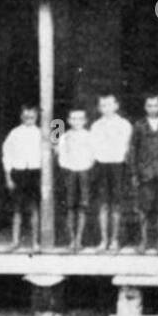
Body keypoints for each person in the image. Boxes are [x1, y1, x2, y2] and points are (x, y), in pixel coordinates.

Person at [127, 93, 158, 253]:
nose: (152, 108)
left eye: (155, 105)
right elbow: (133, 150)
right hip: (144, 173)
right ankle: (144, 241)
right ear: (145, 107)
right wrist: (134, 172)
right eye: (149, 105)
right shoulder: (139, 125)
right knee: (144, 208)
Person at [90, 93, 132, 251]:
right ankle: (103, 240)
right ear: (99, 108)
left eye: (109, 104)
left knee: (116, 204)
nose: (106, 108)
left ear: (116, 106)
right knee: (103, 204)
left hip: (118, 165)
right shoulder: (95, 126)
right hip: (101, 165)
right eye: (103, 105)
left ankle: (114, 240)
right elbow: (93, 147)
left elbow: (126, 147)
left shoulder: (124, 125)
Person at [1, 104, 42, 250]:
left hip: (35, 172)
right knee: (17, 209)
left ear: (37, 117)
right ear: (21, 117)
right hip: (18, 173)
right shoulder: (14, 133)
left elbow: (57, 134)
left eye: (32, 116)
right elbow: (7, 155)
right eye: (26, 116)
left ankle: (35, 243)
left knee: (34, 208)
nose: (29, 119)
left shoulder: (42, 133)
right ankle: (15, 241)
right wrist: (8, 177)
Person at [57, 106, 96, 250]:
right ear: (68, 120)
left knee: (82, 207)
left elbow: (93, 154)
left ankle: (79, 239)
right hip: (69, 172)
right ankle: (71, 239)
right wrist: (66, 167)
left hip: (84, 172)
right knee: (70, 207)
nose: (76, 121)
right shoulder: (63, 136)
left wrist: (87, 166)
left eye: (80, 118)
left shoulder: (89, 135)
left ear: (85, 121)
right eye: (73, 118)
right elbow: (60, 154)